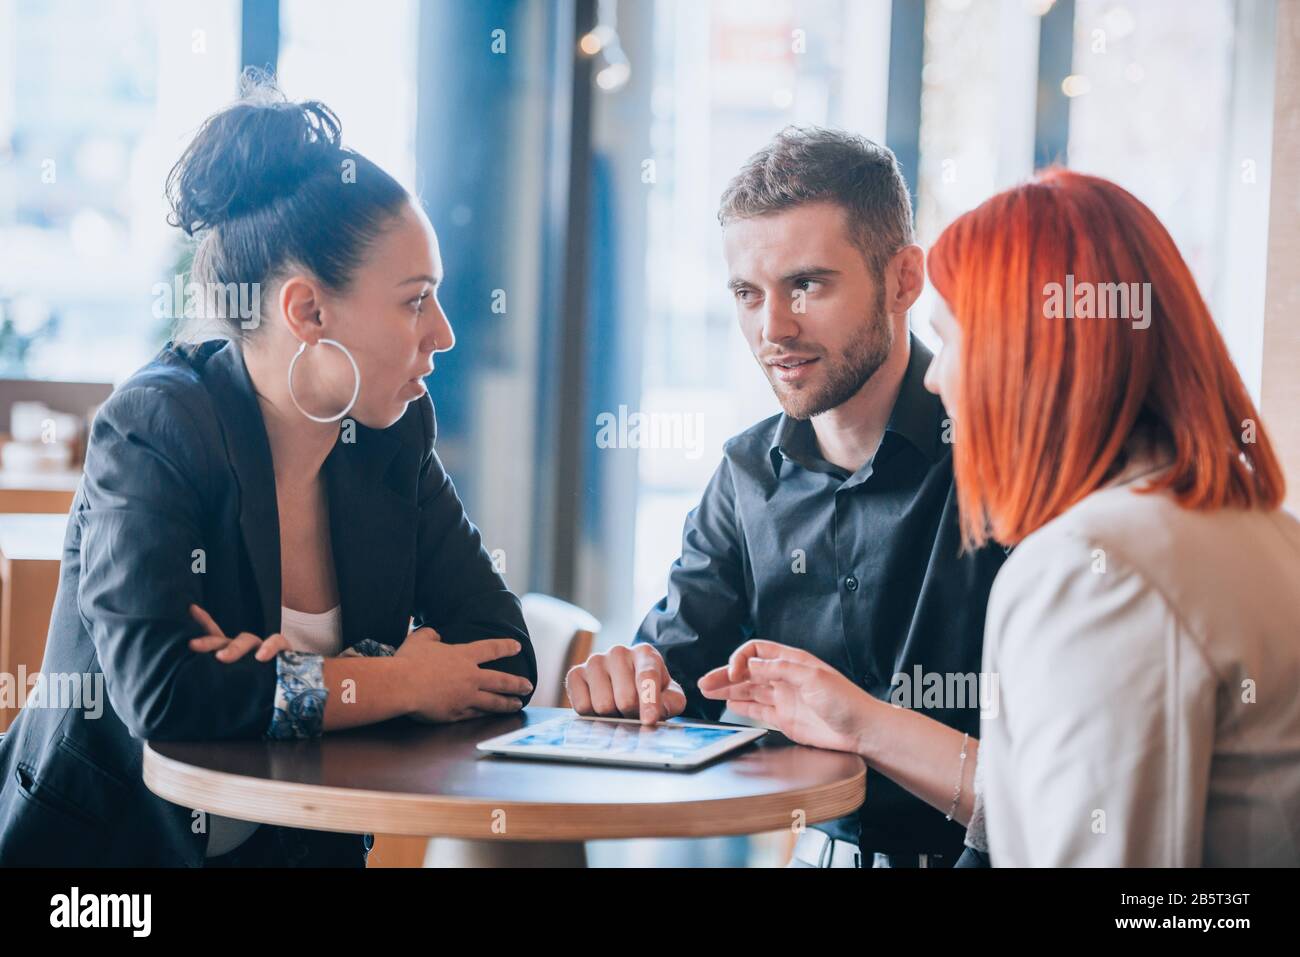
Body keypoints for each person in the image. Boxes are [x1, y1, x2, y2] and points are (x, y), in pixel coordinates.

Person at [0, 73, 537, 867]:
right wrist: (397, 681)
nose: (445, 334)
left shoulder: (390, 440)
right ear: (308, 312)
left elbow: (503, 654)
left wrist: (291, 682)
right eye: (416, 300)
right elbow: (165, 695)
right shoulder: (156, 429)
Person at [701, 168, 1300, 866]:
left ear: (1036, 355)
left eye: (952, 342)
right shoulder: (1265, 532)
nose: (935, 376)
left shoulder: (1097, 567)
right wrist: (862, 723)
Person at [566, 127, 1007, 868]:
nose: (773, 329)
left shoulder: (1001, 460)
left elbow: (1067, 777)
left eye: (806, 284)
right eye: (747, 293)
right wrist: (635, 679)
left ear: (903, 280)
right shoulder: (745, 474)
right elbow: (675, 673)